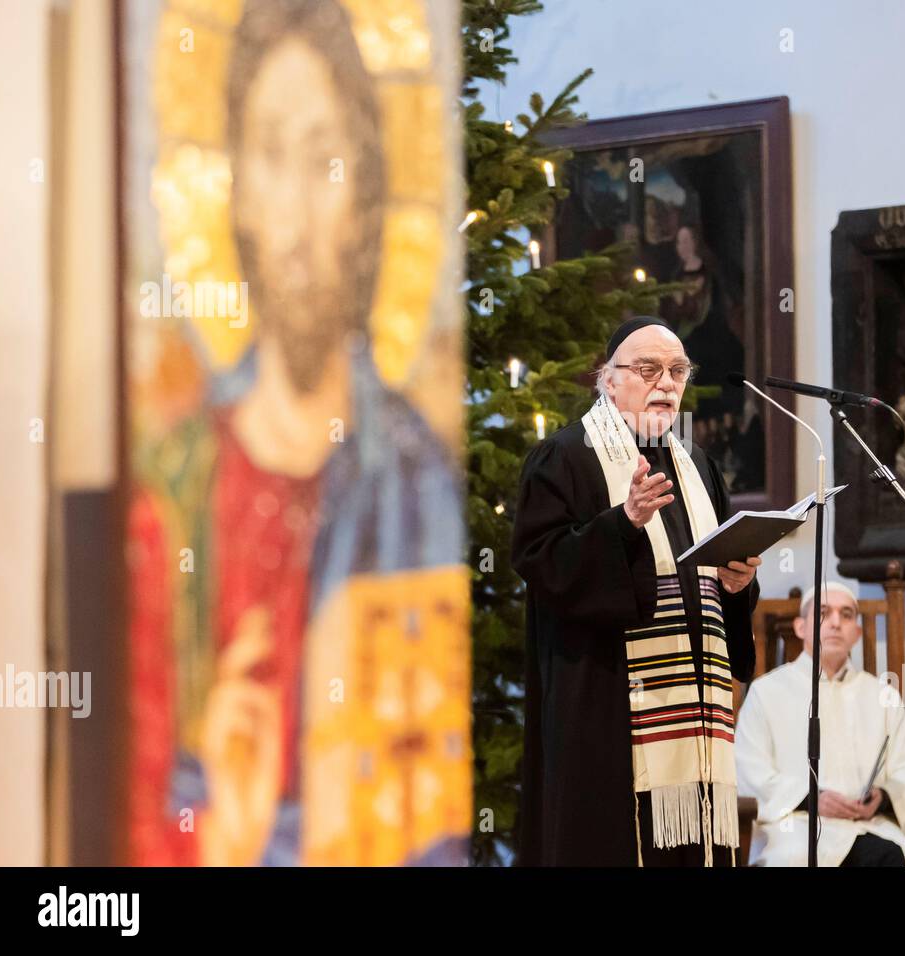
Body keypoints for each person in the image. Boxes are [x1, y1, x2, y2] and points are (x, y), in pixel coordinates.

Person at [126, 0, 463, 866]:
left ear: (370, 195)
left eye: (328, 159)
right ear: (233, 189)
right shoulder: (176, 486)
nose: (299, 210)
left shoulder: (419, 480)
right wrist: (218, 836)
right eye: (271, 155)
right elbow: (132, 818)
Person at [512, 316, 761, 866]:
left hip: (693, 712)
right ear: (609, 379)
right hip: (604, 700)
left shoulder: (697, 465)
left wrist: (739, 585)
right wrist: (621, 524)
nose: (667, 383)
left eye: (677, 371)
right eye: (648, 369)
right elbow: (540, 561)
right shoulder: (566, 457)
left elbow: (713, 580)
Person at [735, 583, 905, 866]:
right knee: (793, 858)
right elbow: (749, 772)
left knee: (900, 854)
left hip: (868, 825)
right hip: (795, 824)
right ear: (800, 627)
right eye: (823, 613)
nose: (835, 622)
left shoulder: (883, 696)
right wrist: (811, 798)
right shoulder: (766, 692)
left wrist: (882, 797)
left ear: (856, 633)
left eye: (846, 615)